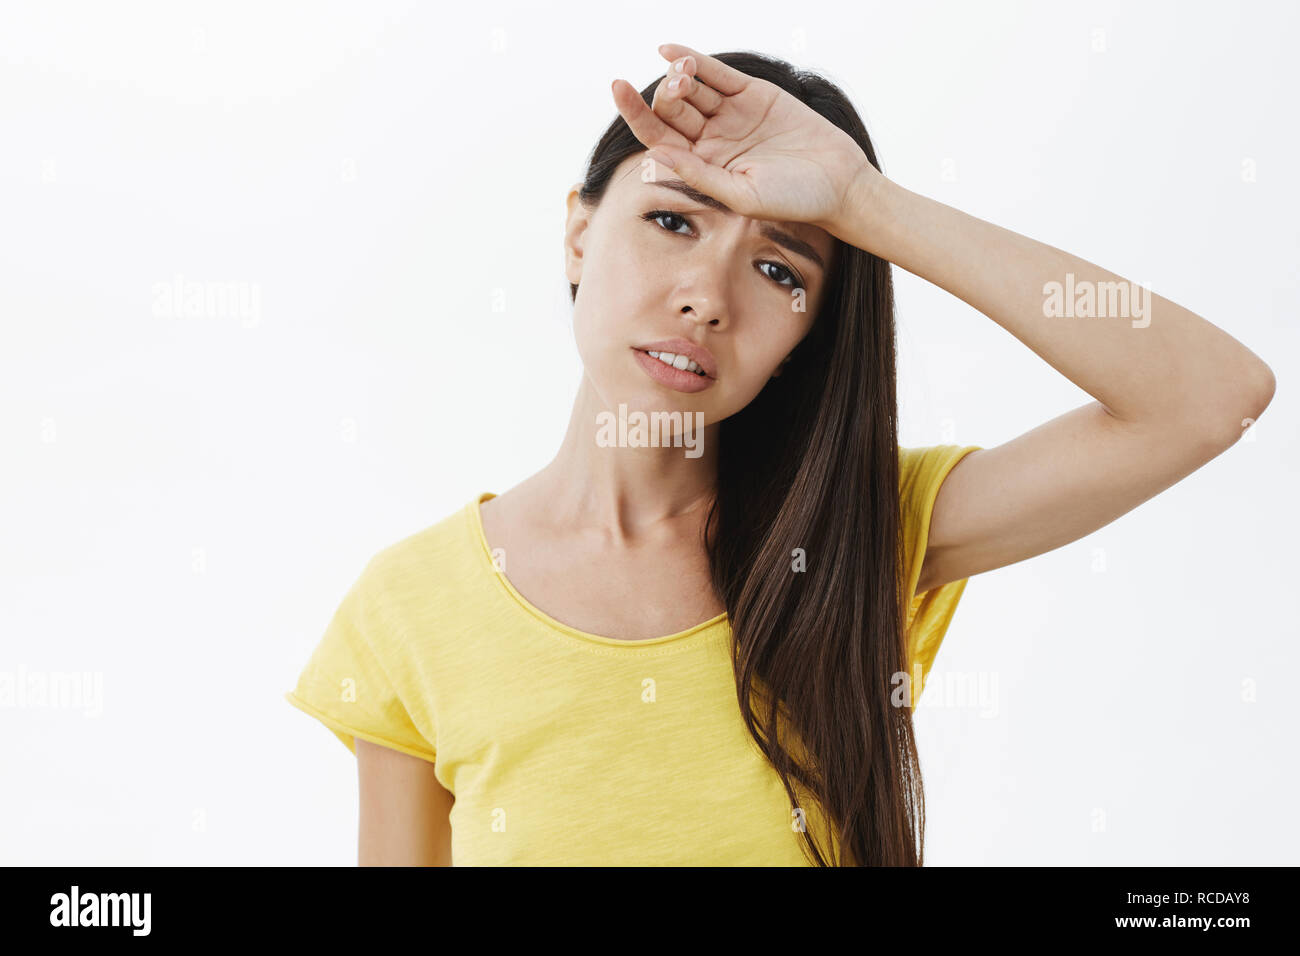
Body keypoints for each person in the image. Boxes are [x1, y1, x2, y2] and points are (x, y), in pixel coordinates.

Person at [285, 44, 1275, 867]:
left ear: (811, 327)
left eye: (776, 266)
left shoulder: (853, 531)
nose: (708, 296)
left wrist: (861, 202)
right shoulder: (408, 604)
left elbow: (1207, 398)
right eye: (672, 220)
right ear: (580, 233)